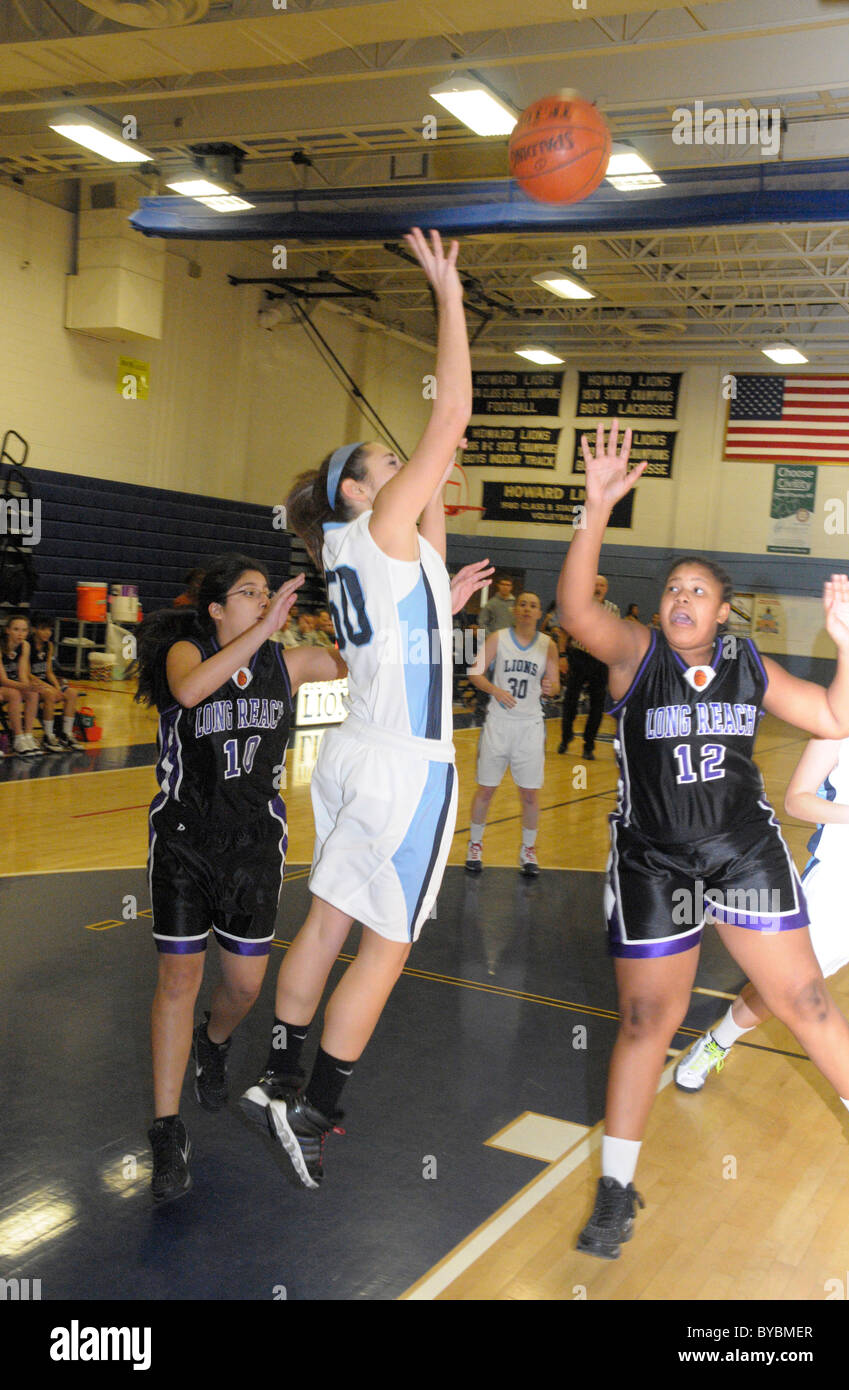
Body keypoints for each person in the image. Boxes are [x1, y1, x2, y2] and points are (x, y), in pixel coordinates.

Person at [557, 419, 849, 1261]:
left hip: (741, 853)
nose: (682, 599)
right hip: (652, 859)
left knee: (804, 1002)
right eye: (672, 590)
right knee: (646, 1019)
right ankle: (616, 1190)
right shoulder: (635, 656)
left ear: (723, 612)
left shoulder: (748, 663)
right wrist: (594, 511)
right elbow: (576, 610)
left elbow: (839, 715)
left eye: (697, 591)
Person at [239, 227, 492, 1190]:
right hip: (407, 770)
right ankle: (318, 1107)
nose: (404, 467)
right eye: (387, 461)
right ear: (358, 487)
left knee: (326, 923)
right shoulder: (383, 527)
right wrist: (447, 293)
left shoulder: (346, 549)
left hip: (349, 755)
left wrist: (443, 595)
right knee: (384, 948)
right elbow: (455, 414)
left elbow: (387, 620)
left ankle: (273, 1077)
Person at [136, 552, 347, 1203]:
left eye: (267, 593)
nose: (263, 602)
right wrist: (264, 629)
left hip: (253, 848)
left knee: (246, 987)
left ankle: (214, 1038)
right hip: (183, 844)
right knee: (178, 977)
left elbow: (355, 664)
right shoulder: (184, 652)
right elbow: (191, 692)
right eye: (249, 594)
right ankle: (166, 1133)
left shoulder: (286, 664)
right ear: (218, 609)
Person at [676, 718, 849, 1091]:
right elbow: (797, 799)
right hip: (843, 882)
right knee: (786, 988)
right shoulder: (844, 722)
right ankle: (717, 1042)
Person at [465, 592, 559, 876]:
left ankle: (528, 850)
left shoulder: (548, 645)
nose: (527, 609)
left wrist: (550, 688)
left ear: (539, 612)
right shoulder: (499, 638)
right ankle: (475, 844)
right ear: (515, 610)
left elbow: (555, 685)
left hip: (530, 726)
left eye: (533, 605)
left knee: (530, 794)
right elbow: (475, 672)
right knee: (486, 789)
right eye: (522, 604)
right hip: (499, 723)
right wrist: (495, 690)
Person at [557, 574, 619, 760]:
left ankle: (589, 744)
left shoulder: (613, 609)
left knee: (597, 704)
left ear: (606, 589)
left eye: (601, 585)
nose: (598, 587)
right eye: (595, 584)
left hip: (600, 660)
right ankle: (566, 736)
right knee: (570, 700)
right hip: (579, 656)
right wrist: (562, 656)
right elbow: (564, 632)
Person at [26, 613, 82, 750]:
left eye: (50, 629)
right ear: (34, 629)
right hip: (31, 683)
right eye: (43, 629)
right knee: (50, 695)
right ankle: (48, 736)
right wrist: (50, 689)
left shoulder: (49, 646)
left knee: (72, 693)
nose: (47, 633)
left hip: (45, 681)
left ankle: (66, 733)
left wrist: (57, 687)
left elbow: (49, 672)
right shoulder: (27, 645)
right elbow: (28, 674)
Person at [0, 612, 42, 757]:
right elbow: (3, 680)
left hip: (12, 683)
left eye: (24, 630)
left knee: (33, 693)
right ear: (7, 630)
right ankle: (17, 738)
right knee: (14, 694)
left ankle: (28, 736)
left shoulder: (25, 645)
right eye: (16, 629)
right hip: (3, 683)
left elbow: (22, 675)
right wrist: (24, 686)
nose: (20, 634)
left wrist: (29, 686)